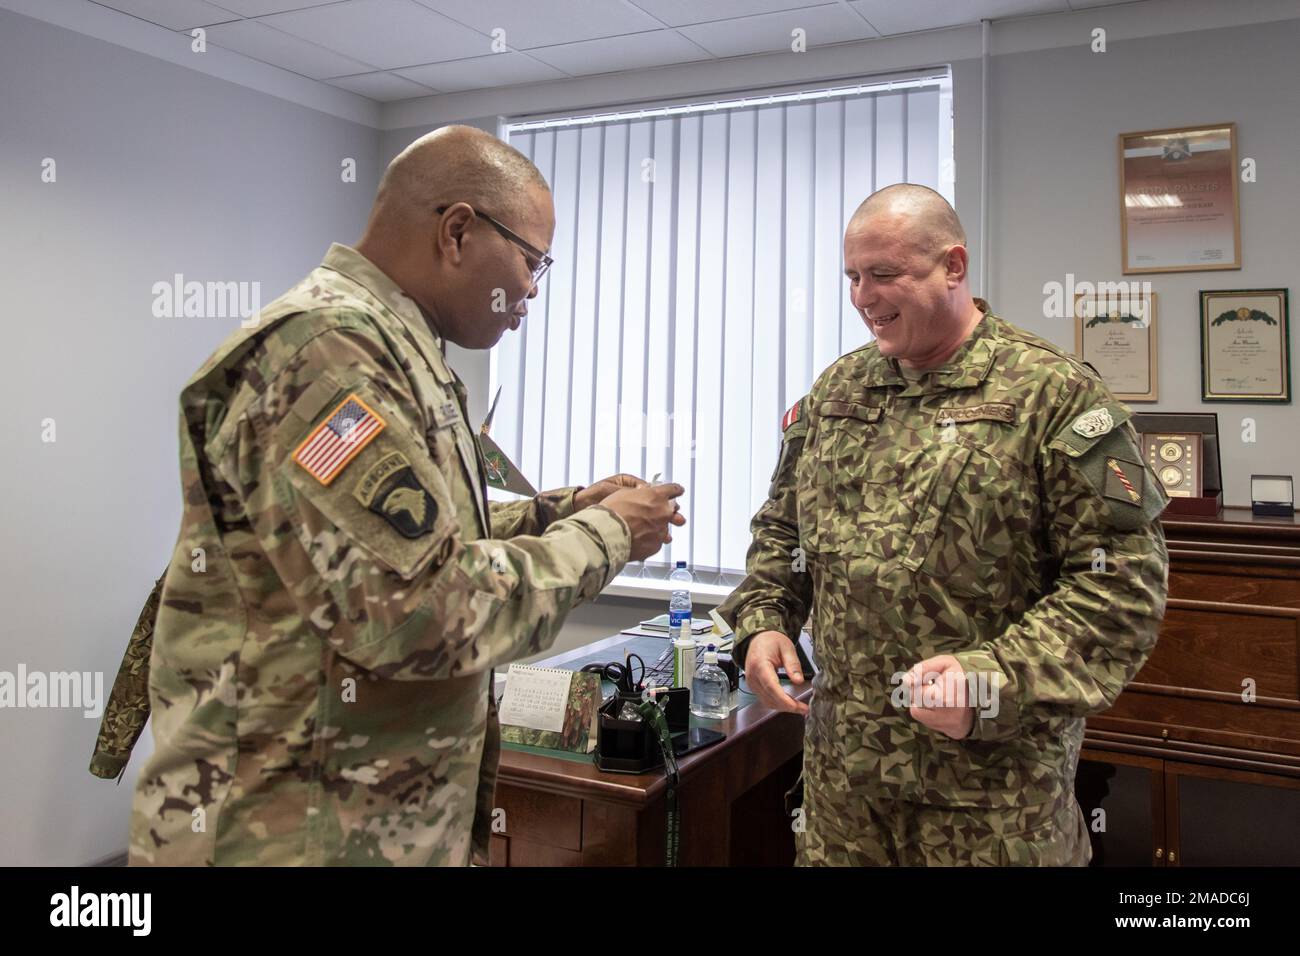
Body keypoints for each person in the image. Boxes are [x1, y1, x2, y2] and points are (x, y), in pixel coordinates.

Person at [129, 125, 685, 866]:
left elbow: (413, 531)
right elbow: (424, 610)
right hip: (288, 832)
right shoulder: (325, 352)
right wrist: (608, 534)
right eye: (531, 260)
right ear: (458, 230)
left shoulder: (392, 348)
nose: (531, 291)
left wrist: (566, 508)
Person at [717, 183, 1168, 866]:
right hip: (845, 799)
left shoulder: (1053, 395)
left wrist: (995, 678)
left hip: (992, 807)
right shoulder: (837, 393)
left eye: (886, 274)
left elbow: (1123, 587)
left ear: (953, 266)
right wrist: (765, 621)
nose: (864, 296)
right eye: (853, 276)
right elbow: (782, 532)